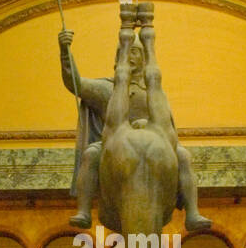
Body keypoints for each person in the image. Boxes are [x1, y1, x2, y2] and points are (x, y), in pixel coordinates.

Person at [58, 23, 211, 233]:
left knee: (183, 156)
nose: (129, 56)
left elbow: (165, 122)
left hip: (155, 140)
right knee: (91, 154)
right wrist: (65, 51)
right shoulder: (106, 89)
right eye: (124, 52)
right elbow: (74, 82)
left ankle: (192, 212)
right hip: (111, 144)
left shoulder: (153, 90)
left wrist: (145, 126)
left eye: (135, 52)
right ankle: (84, 210)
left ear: (143, 57)